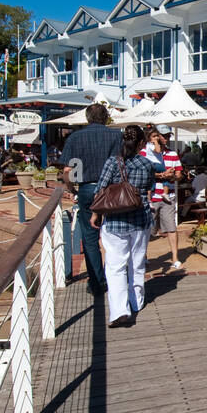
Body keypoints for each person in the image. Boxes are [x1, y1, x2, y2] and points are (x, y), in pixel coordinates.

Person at [90, 124, 154, 328]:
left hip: (115, 220)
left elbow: (100, 189)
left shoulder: (112, 162)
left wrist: (95, 214)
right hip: (140, 219)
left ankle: (120, 310)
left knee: (115, 266)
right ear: (142, 143)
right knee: (137, 262)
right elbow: (148, 188)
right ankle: (137, 301)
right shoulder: (146, 164)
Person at [61, 102, 123, 296]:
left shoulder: (75, 138)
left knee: (89, 238)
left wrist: (71, 189)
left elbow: (67, 171)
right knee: (115, 236)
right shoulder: (116, 136)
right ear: (106, 118)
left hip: (87, 189)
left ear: (87, 118)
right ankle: (117, 278)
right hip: (112, 190)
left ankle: (96, 282)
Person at [145, 127, 184, 272]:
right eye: (164, 135)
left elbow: (180, 174)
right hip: (152, 197)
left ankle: (175, 258)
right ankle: (143, 256)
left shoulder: (172, 154)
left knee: (171, 228)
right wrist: (161, 175)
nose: (167, 138)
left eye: (168, 135)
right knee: (148, 230)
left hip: (168, 196)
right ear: (156, 136)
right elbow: (143, 172)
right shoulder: (146, 152)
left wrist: (172, 177)